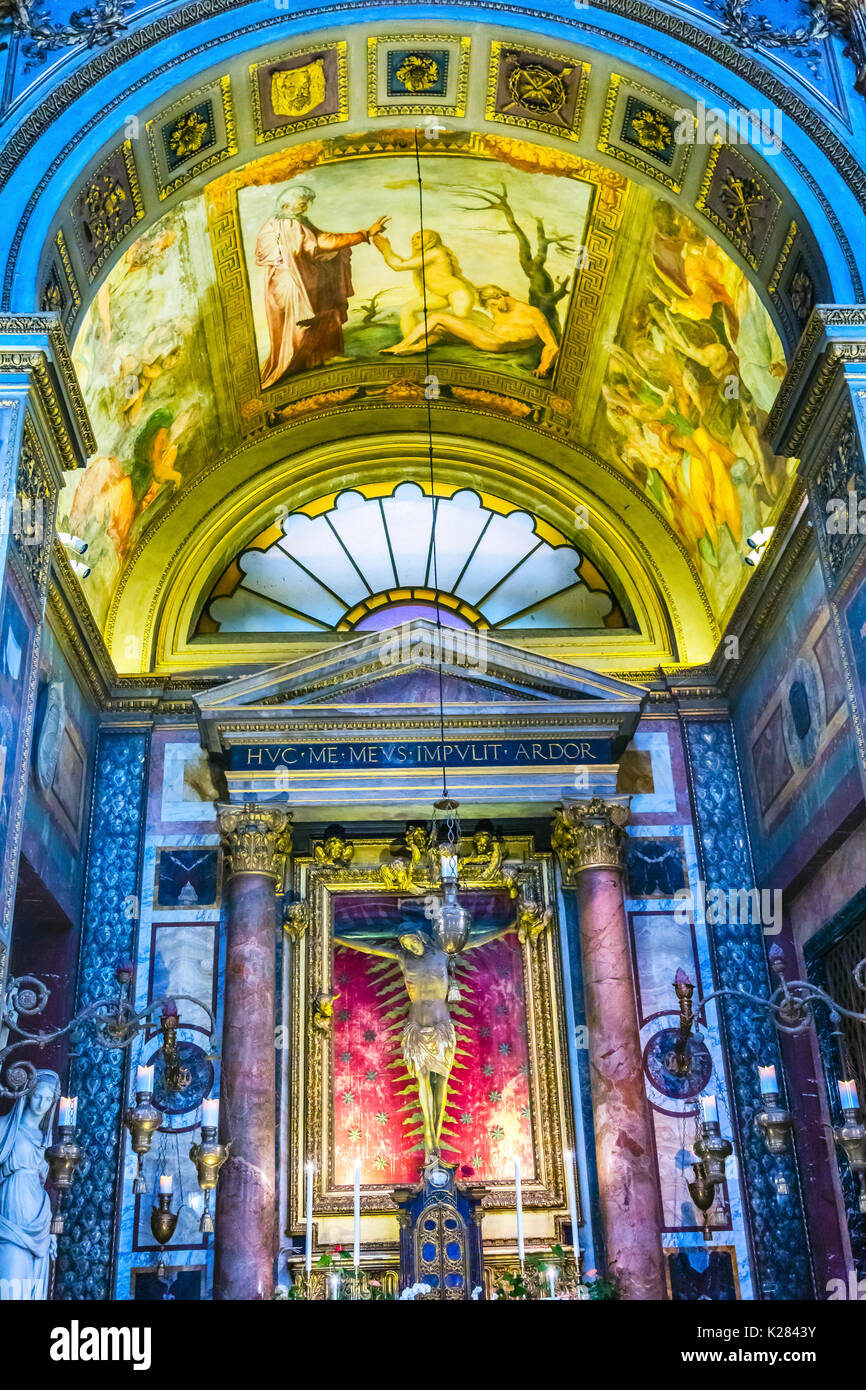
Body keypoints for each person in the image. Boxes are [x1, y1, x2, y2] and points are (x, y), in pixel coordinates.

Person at [334, 914, 513, 1157]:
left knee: (442, 1083)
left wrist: (508, 927)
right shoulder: (402, 958)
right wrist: (334, 935)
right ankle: (430, 1138)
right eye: (405, 944)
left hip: (440, 1026)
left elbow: (475, 939)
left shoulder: (442, 952)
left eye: (412, 941)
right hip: (416, 1026)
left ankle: (436, 1135)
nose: (410, 947)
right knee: (423, 1080)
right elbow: (369, 946)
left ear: (421, 938)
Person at [255, 185, 388, 387]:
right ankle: (295, 365)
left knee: (328, 309)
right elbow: (322, 243)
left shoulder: (291, 223)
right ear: (286, 203)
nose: (305, 207)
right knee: (302, 324)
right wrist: (365, 234)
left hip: (303, 278)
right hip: (292, 284)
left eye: (306, 203)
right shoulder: (288, 225)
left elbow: (318, 242)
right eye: (302, 202)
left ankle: (325, 356)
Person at [380, 284, 559, 378]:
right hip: (487, 337)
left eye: (493, 304)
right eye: (491, 306)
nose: (494, 308)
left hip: (494, 342)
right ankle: (419, 346)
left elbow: (551, 345)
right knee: (440, 328)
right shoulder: (500, 310)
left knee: (437, 318)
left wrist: (543, 367)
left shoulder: (532, 313)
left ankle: (401, 345)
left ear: (500, 295)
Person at [0, 1070, 61, 1300]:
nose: (41, 1103)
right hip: (9, 1224)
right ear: (28, 1094)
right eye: (37, 1096)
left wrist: (50, 1228)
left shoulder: (46, 1141)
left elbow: (42, 1184)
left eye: (48, 1099)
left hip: (38, 1221)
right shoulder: (5, 1127)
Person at [370, 228, 477, 336]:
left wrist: (386, 250)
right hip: (440, 296)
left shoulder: (436, 252)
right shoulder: (424, 256)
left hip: (457, 292)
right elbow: (399, 265)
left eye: (419, 237)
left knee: (462, 319)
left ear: (431, 239)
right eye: (412, 238)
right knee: (408, 309)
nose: (413, 240)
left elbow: (399, 266)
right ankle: (411, 342)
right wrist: (385, 250)